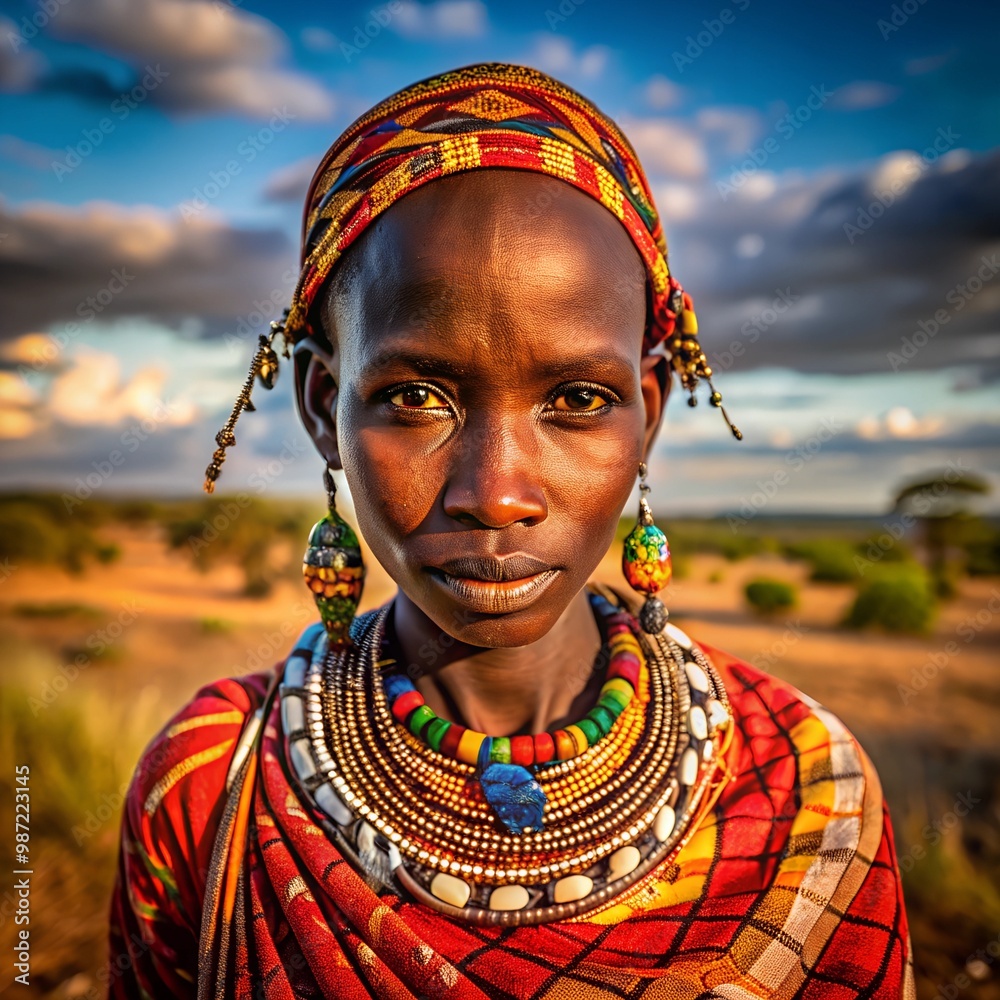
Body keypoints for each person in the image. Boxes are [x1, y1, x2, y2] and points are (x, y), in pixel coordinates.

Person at [108, 63, 915, 998]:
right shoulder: (211, 790)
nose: (496, 494)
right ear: (325, 405)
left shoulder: (807, 791)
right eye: (415, 397)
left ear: (645, 416)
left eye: (577, 399)